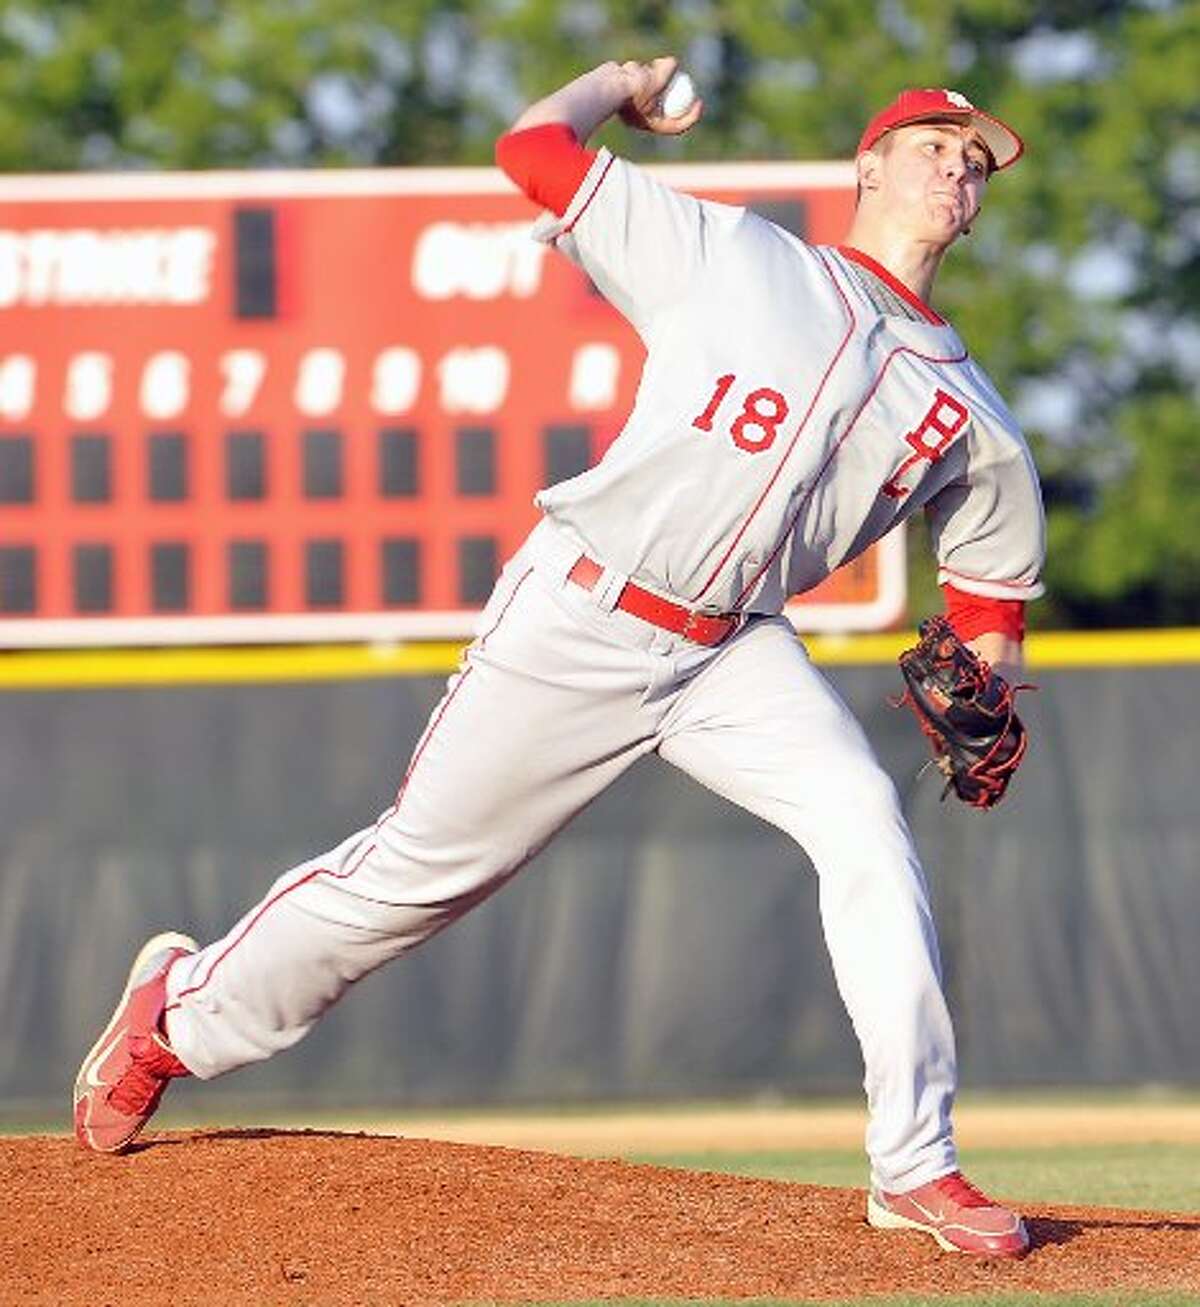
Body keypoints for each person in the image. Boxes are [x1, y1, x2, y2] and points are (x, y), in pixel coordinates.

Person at [74, 58, 1045, 1259]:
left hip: (736, 650)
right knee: (409, 881)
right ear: (867, 163)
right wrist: (614, 84)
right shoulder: (734, 253)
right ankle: (181, 1014)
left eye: (976, 158)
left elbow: (988, 596)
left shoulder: (979, 418)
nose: (957, 165)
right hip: (585, 609)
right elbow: (533, 154)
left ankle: (916, 1166)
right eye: (931, 144)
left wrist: (993, 686)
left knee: (866, 826)